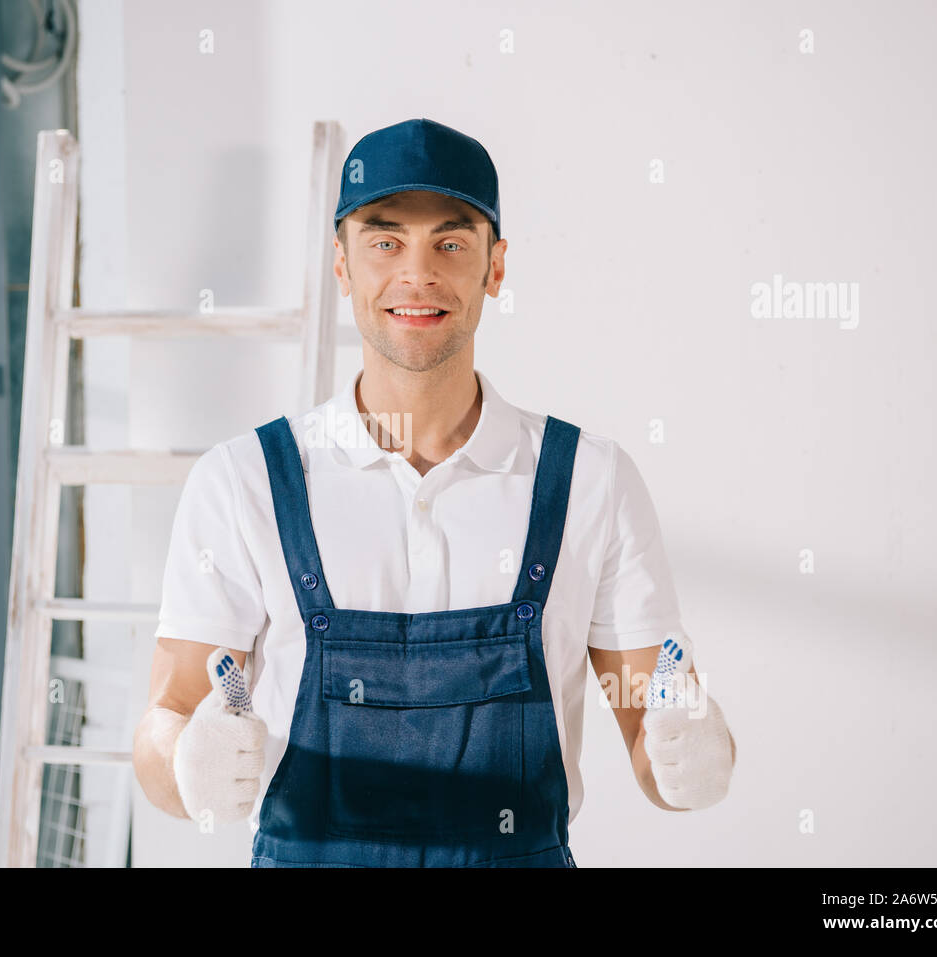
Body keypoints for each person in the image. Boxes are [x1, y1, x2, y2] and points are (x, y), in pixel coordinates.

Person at [133, 117, 735, 867]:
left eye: (450, 243)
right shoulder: (243, 481)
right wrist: (185, 763)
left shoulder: (590, 481)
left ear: (496, 266)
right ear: (342, 263)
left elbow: (654, 732)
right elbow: (169, 716)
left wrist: (695, 752)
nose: (416, 276)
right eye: (385, 241)